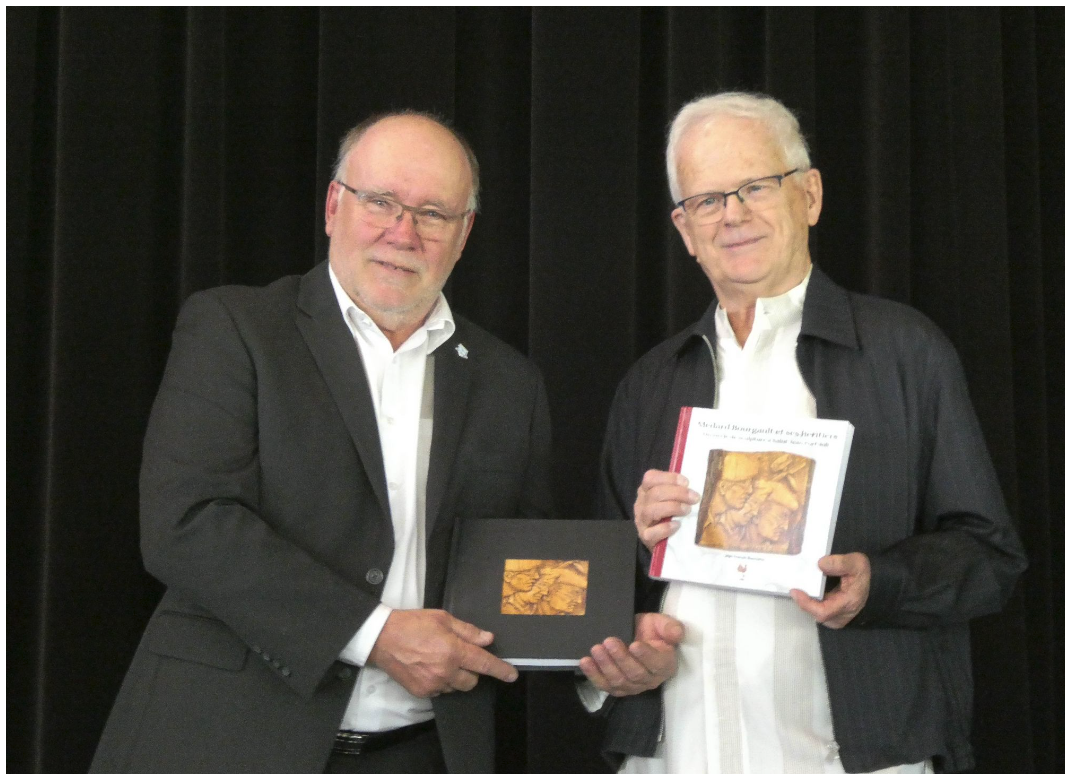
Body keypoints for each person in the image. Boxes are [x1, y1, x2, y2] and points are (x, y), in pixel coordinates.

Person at [89, 112, 555, 774]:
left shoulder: (511, 382)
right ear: (334, 205)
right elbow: (184, 523)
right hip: (225, 740)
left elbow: (520, 566)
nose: (404, 232)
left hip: (423, 752)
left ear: (463, 234)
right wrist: (375, 636)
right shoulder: (234, 328)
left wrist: (610, 634)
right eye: (382, 202)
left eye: (432, 213)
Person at [594, 92, 1027, 774]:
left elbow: (989, 557)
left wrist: (878, 582)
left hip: (858, 758)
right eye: (707, 200)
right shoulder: (647, 384)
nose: (732, 214)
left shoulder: (904, 352)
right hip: (674, 753)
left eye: (755, 186)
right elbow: (598, 594)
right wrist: (620, 627)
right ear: (683, 229)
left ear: (810, 196)